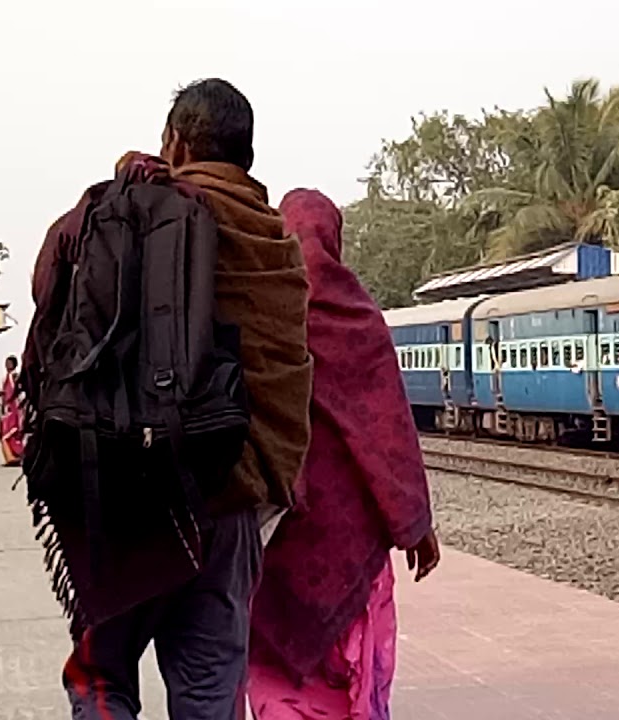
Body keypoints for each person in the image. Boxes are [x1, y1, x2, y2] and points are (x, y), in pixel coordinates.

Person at [29, 79, 312, 720]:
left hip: (122, 494)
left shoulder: (127, 206)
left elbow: (51, 287)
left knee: (103, 680)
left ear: (177, 141)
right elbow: (287, 377)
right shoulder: (278, 243)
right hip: (231, 498)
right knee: (210, 692)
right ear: (246, 154)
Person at [246, 189, 438, 720]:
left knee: (276, 682)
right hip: (354, 539)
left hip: (273, 541)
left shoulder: (258, 310)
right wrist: (414, 525)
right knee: (358, 680)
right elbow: (388, 433)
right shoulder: (357, 317)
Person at [0, 355, 24, 466]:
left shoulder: (14, 376)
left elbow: (18, 389)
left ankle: (13, 457)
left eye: (9, 363)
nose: (7, 365)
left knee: (9, 433)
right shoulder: (6, 377)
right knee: (6, 433)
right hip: (8, 409)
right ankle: (12, 456)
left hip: (14, 408)